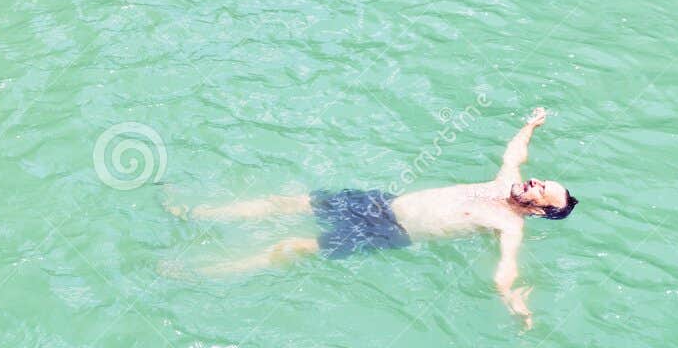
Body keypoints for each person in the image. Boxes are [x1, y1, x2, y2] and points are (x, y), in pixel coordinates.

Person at [186, 108, 576, 328]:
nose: (536, 181)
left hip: (391, 232)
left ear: (539, 209)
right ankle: (199, 215)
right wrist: (531, 125)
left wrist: (512, 301)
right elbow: (515, 152)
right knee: (283, 202)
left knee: (293, 245)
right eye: (541, 180)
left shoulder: (510, 224)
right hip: (383, 204)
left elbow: (505, 267)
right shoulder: (505, 180)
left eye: (542, 189)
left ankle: (217, 269)